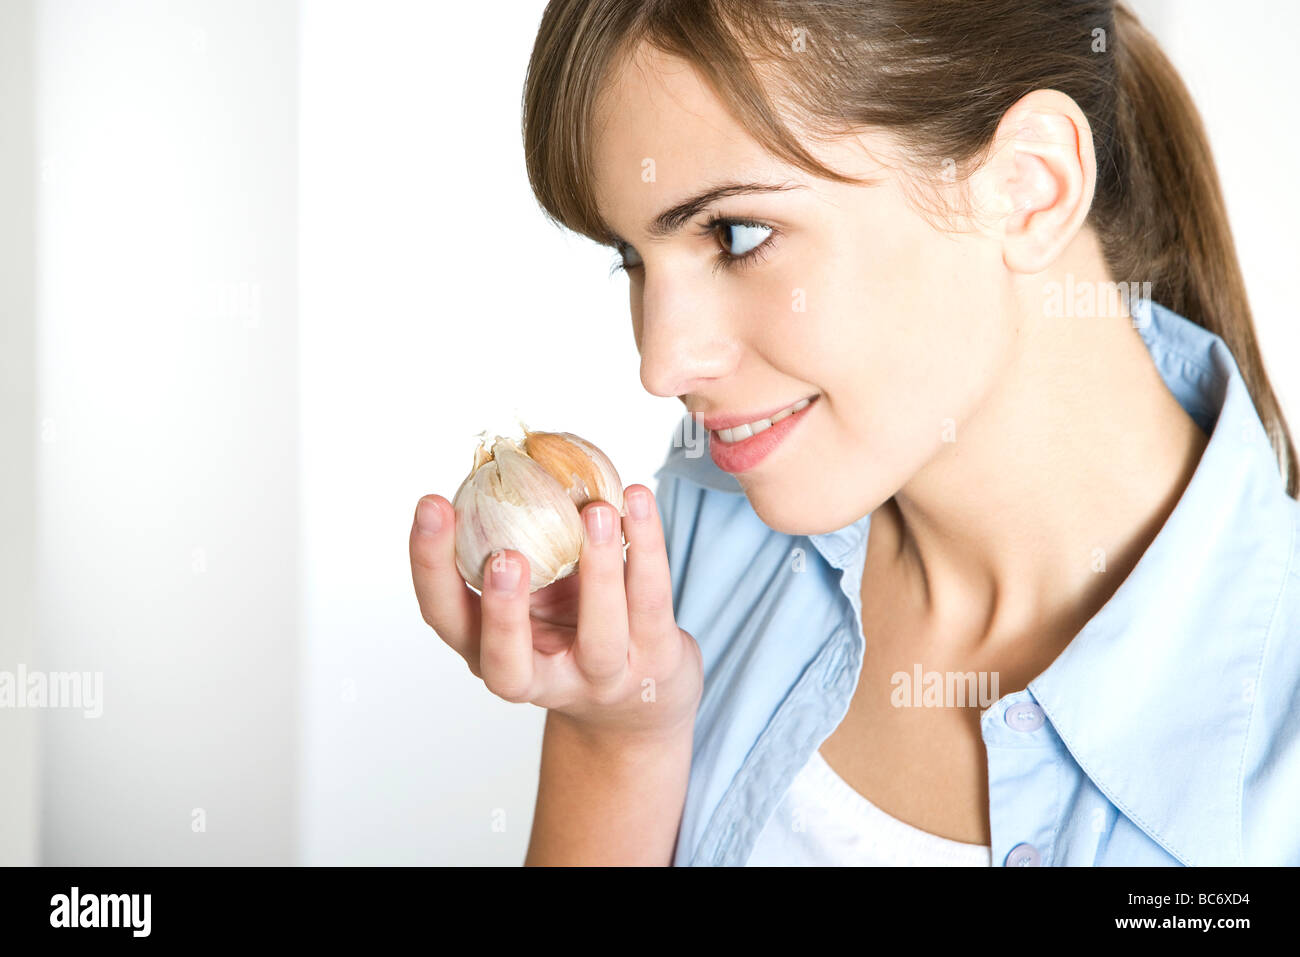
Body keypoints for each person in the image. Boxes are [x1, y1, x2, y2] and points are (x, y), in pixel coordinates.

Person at [410, 0, 1300, 865]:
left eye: (737, 232)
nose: (662, 365)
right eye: (633, 260)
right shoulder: (691, 539)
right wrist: (616, 738)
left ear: (1031, 186)